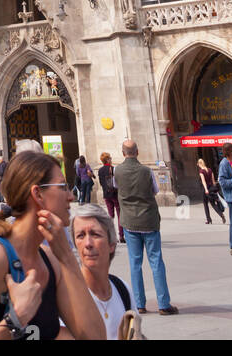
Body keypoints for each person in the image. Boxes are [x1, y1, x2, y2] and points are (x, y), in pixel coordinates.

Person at [0, 149, 105, 341]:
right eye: (63, 187)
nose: (71, 196)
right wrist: (16, 318)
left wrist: (67, 257)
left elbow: (95, 336)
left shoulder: (50, 260)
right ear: (38, 194)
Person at [115, 139, 178, 314]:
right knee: (156, 262)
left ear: (122, 153)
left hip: (129, 222)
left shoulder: (117, 171)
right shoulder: (146, 171)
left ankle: (139, 303)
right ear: (137, 152)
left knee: (135, 263)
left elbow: (116, 186)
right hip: (149, 221)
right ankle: (164, 304)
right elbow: (156, 191)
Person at [71, 203, 134, 339]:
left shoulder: (122, 289)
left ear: (111, 244)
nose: (88, 243)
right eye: (80, 236)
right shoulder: (69, 297)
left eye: (95, 234)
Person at [97, 151, 123, 243]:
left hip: (106, 195)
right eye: (110, 158)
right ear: (108, 159)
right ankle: (121, 235)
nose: (111, 159)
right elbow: (118, 182)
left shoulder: (100, 170)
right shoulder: (113, 169)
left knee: (110, 216)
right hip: (115, 194)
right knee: (120, 214)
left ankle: (112, 236)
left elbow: (101, 183)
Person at [197, 156, 225, 225]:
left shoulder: (201, 171)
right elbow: (213, 181)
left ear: (199, 164)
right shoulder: (210, 170)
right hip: (211, 188)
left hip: (205, 189)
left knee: (205, 204)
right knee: (213, 204)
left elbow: (203, 181)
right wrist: (214, 188)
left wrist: (206, 189)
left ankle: (208, 219)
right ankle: (221, 214)